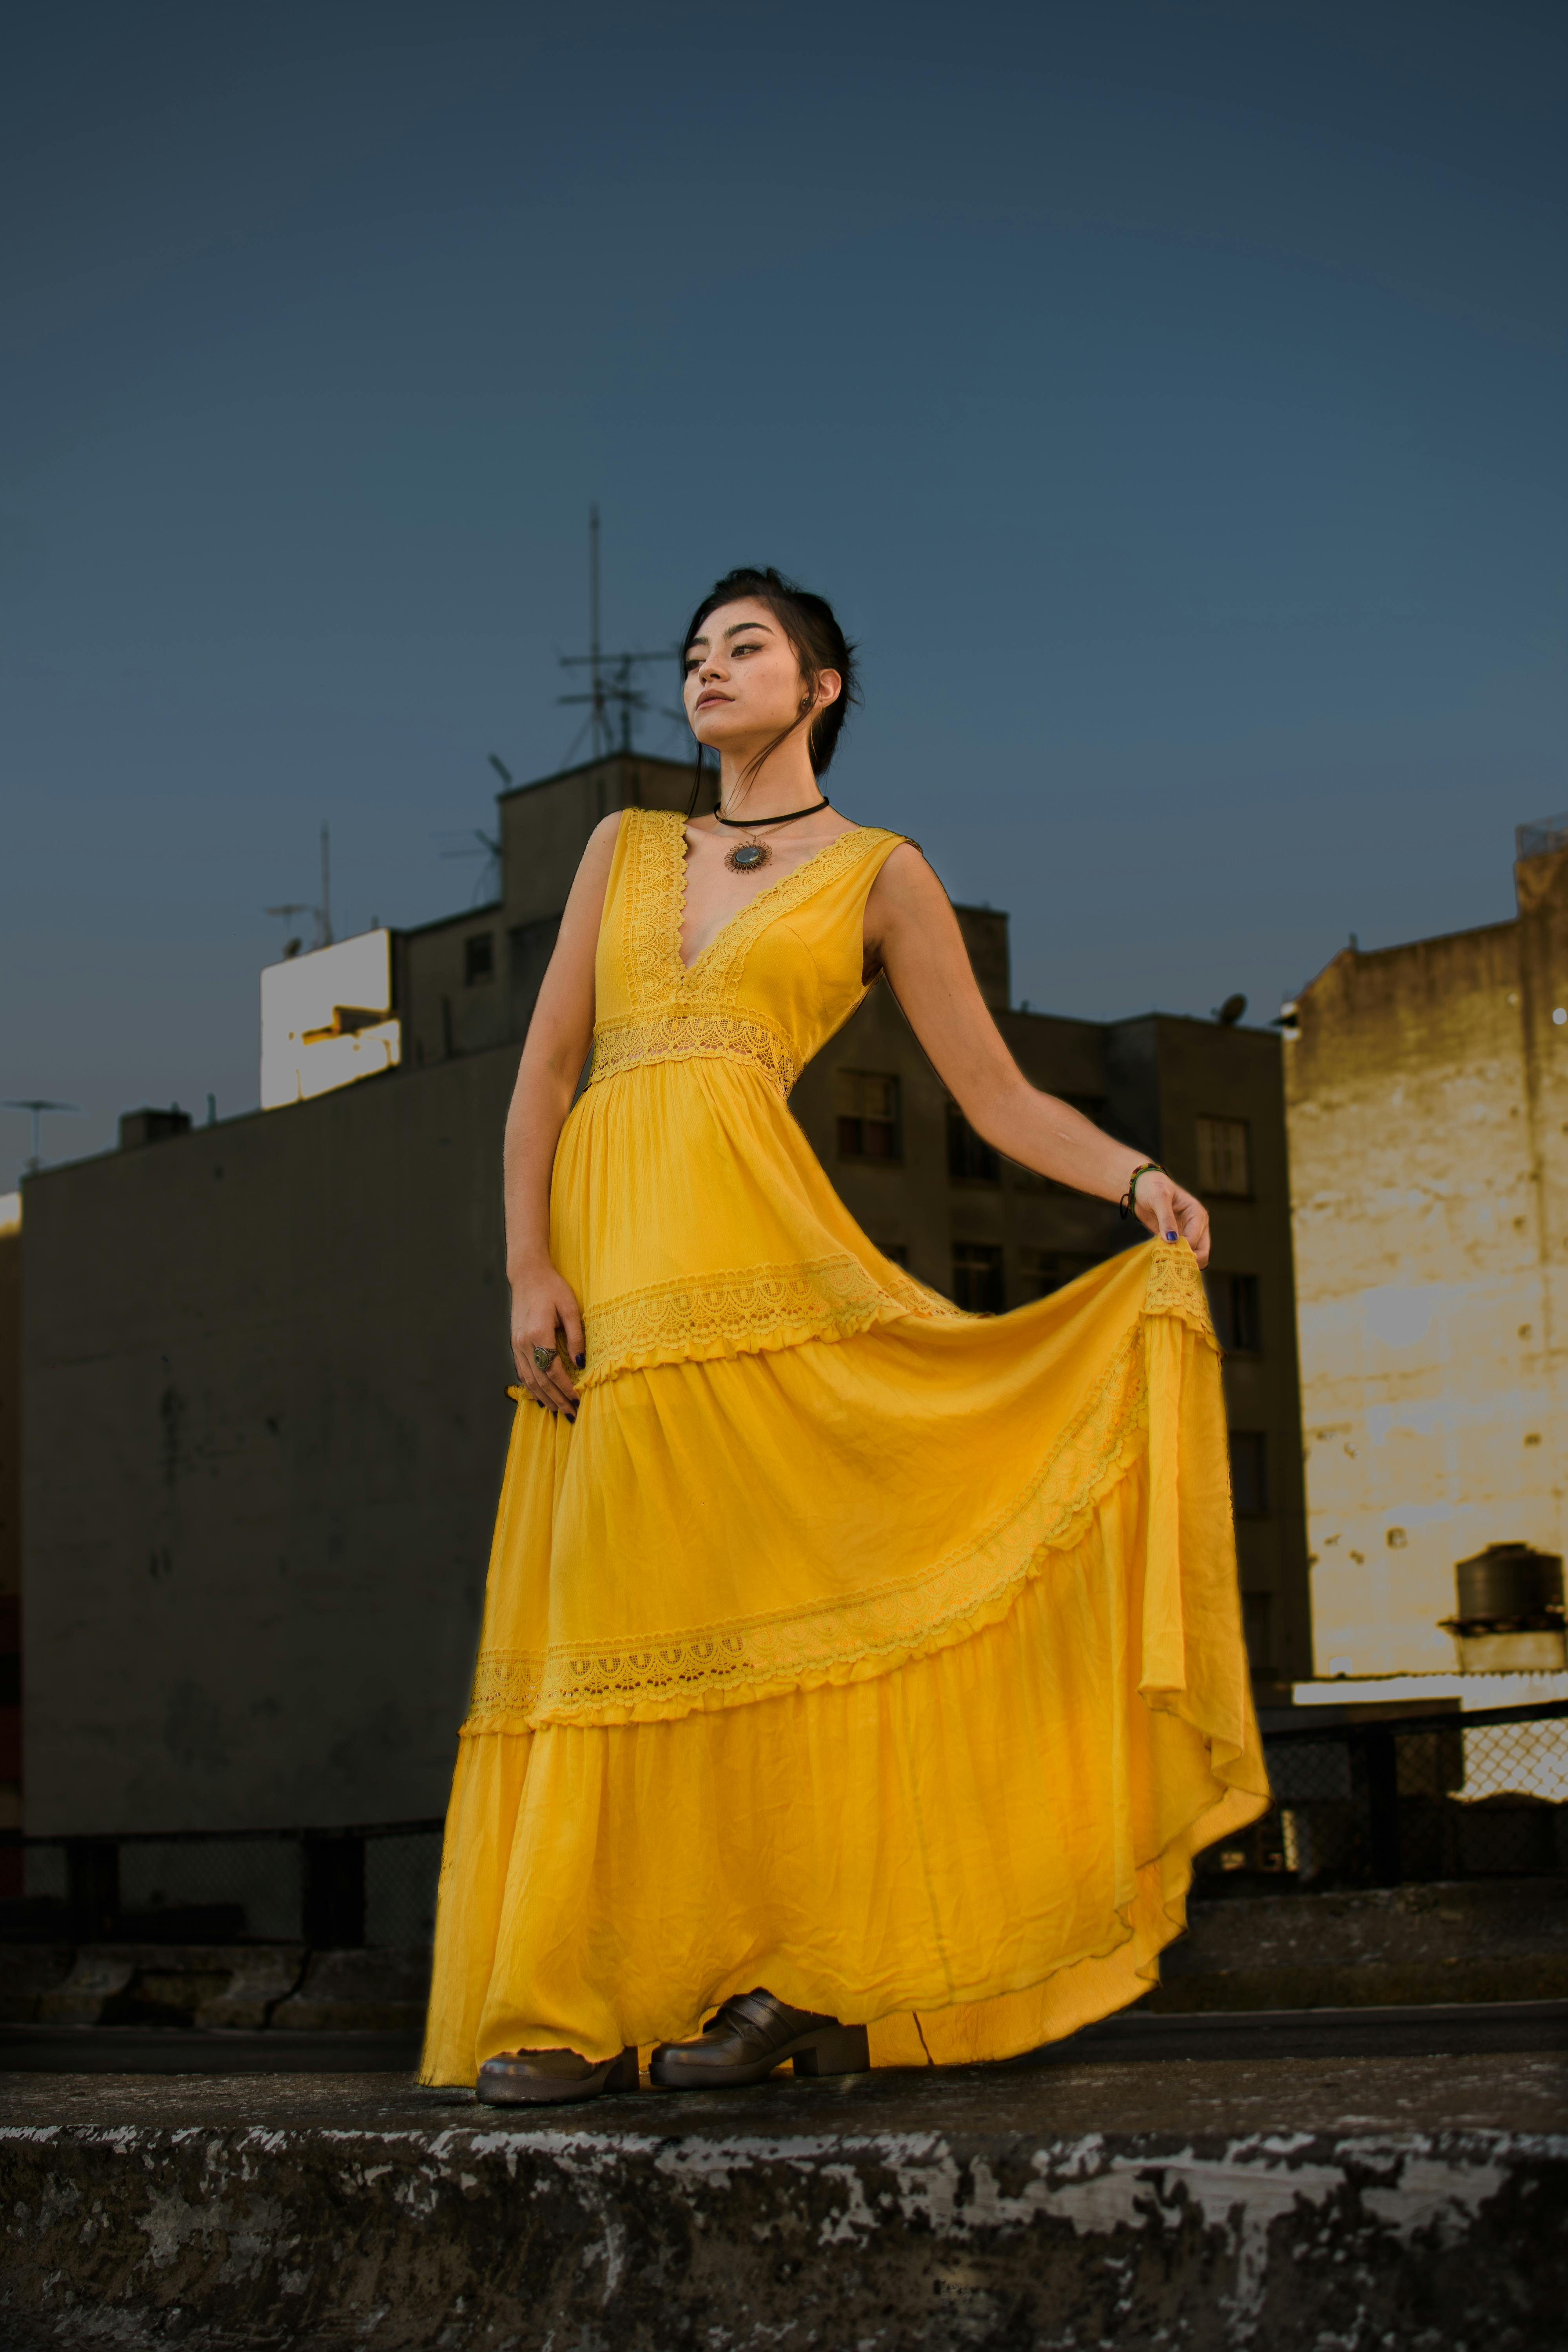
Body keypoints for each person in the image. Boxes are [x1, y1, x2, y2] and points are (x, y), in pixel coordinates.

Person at [421, 566, 1268, 2103]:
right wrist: (528, 1266)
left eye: (744, 646)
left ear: (818, 688)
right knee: (610, 1615)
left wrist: (1137, 1175)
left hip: (764, 1269)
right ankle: (573, 1995)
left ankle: (791, 1981)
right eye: (694, 651)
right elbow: (544, 1073)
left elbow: (996, 1096)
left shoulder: (881, 872)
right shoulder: (625, 847)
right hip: (613, 1279)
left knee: (780, 1622)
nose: (706, 666)